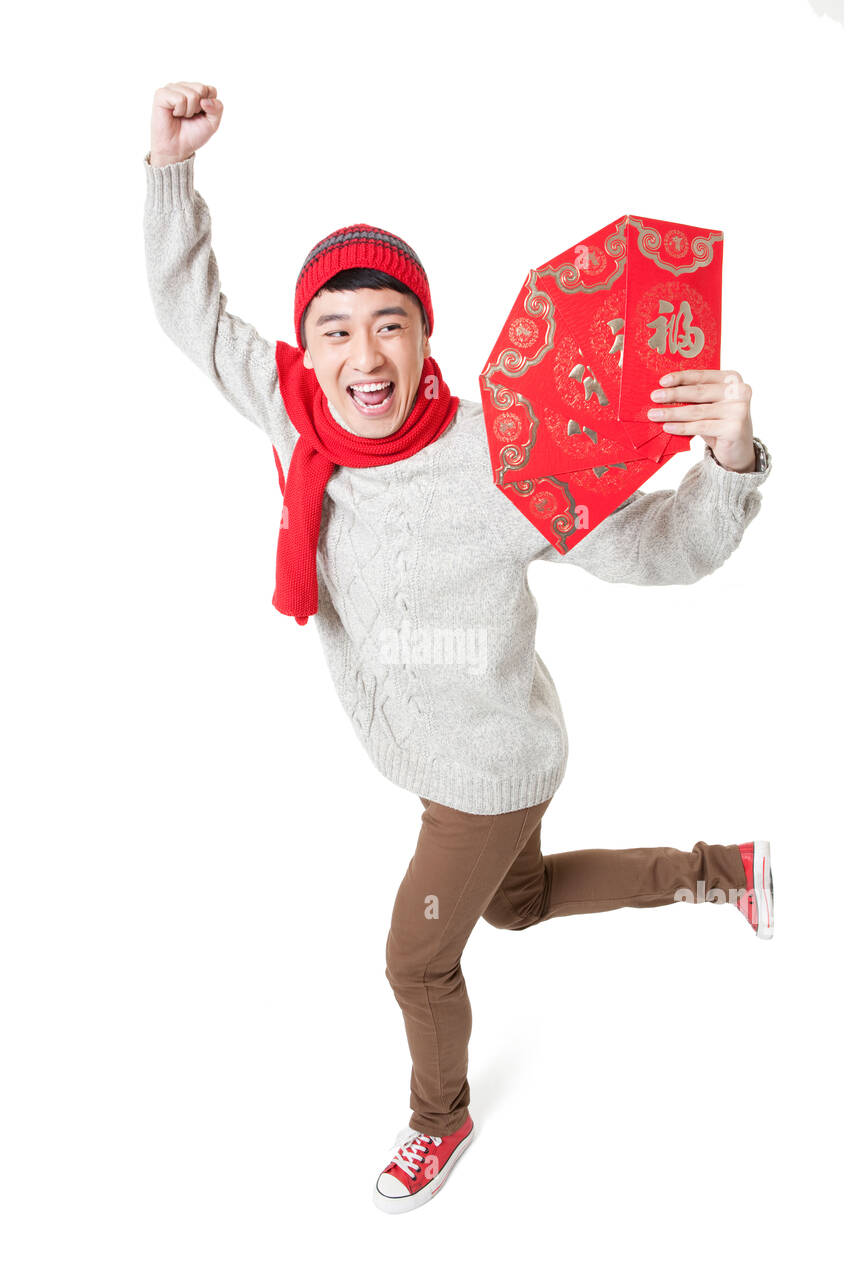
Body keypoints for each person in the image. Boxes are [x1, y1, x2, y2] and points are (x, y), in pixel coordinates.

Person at [143, 80, 774, 1216]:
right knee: (518, 904)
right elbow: (192, 313)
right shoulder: (296, 414)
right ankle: (725, 869)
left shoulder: (499, 457)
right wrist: (169, 169)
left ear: (428, 334)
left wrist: (726, 462)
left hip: (482, 770)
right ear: (309, 347)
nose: (363, 352)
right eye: (335, 328)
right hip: (482, 750)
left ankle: (439, 1120)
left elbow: (656, 553)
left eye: (390, 321)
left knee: (414, 961)